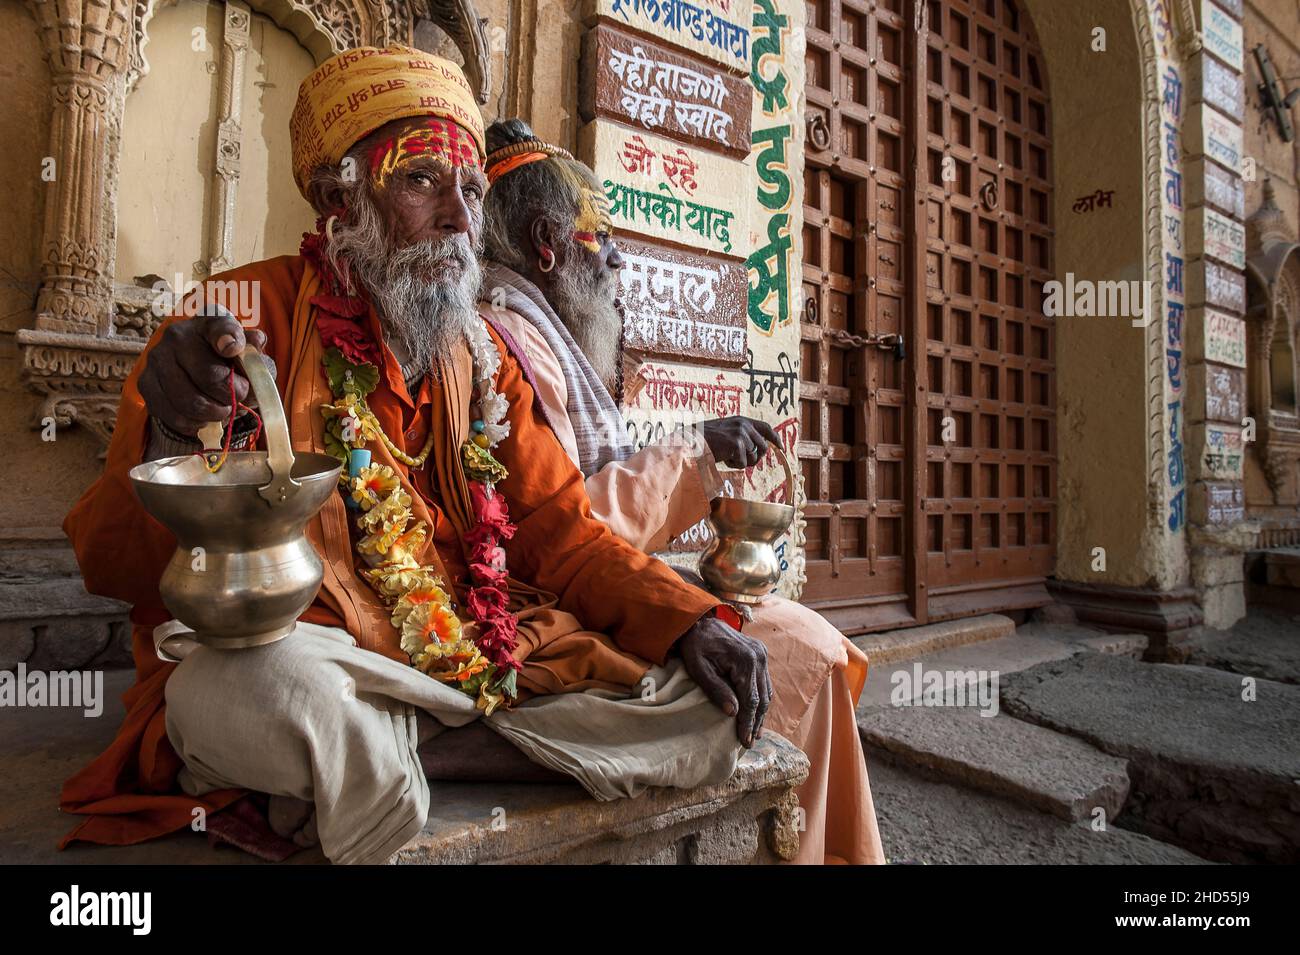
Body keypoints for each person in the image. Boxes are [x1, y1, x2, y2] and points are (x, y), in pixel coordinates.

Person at [58, 48, 775, 864]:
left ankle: (394, 760)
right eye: (423, 181)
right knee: (261, 690)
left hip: (478, 656)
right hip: (318, 656)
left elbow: (561, 533)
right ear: (339, 198)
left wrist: (682, 622)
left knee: (707, 698)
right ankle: (419, 748)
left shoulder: (481, 356)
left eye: (471, 190)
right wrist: (176, 435)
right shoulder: (240, 318)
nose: (461, 220)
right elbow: (115, 564)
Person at [477, 119, 885, 864]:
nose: (619, 259)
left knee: (801, 639)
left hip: (585, 594)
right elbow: (569, 527)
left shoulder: (537, 337)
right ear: (545, 241)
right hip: (551, 617)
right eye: (600, 235)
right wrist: (692, 453)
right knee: (808, 649)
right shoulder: (511, 341)